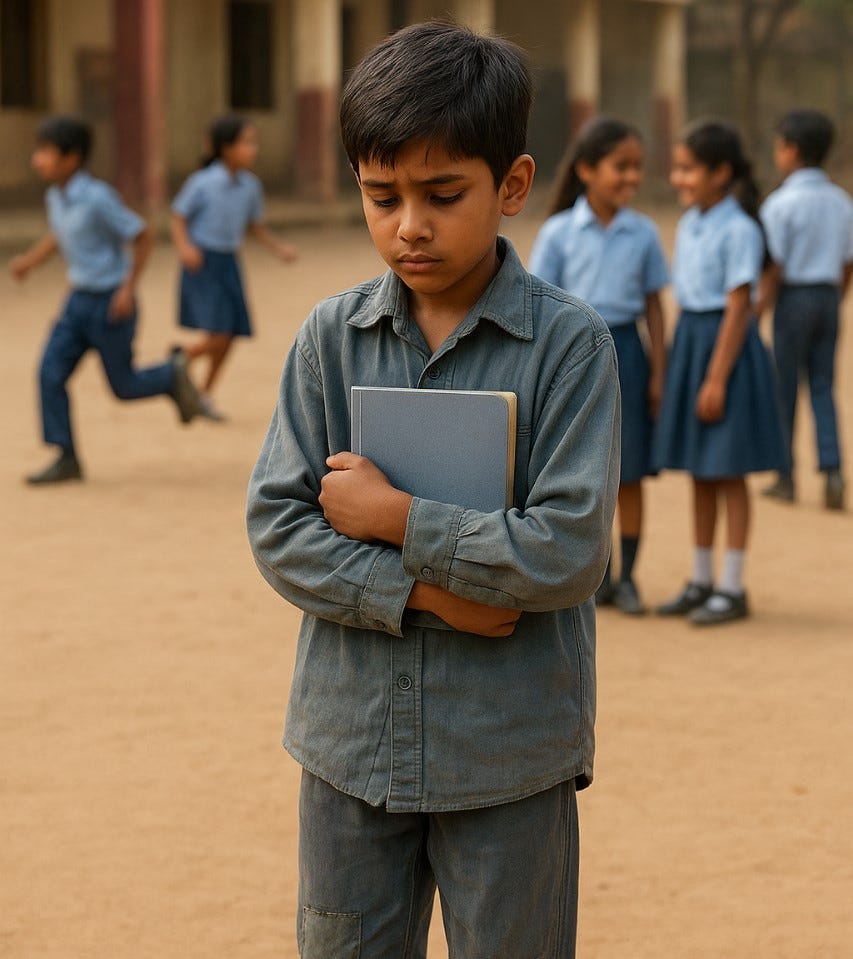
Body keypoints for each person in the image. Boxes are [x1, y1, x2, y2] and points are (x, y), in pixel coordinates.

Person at [246, 21, 620, 959]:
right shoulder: (328, 338)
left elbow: (569, 549)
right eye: (382, 196)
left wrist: (397, 518)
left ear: (512, 186)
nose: (407, 224)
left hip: (507, 757)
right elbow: (279, 524)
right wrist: (429, 590)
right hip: (348, 748)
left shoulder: (571, 348)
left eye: (441, 194)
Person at [9, 115, 202, 485]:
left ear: (72, 157)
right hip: (77, 301)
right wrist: (29, 262)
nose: (37, 159)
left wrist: (127, 287)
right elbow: (58, 235)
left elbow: (141, 234)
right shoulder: (56, 196)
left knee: (124, 386)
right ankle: (65, 456)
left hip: (110, 304)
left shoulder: (97, 197)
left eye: (46, 152)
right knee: (49, 372)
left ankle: (170, 374)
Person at [529, 117, 668, 616]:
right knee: (584, 471)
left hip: (629, 352)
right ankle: (594, 576)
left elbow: (654, 305)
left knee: (629, 472)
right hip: (572, 358)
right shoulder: (560, 232)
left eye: (638, 168)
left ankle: (627, 578)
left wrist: (659, 373)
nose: (632, 177)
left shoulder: (644, 232)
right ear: (587, 169)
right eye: (621, 167)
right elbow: (538, 304)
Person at [654, 120, 787, 626]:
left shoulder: (741, 228)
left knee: (729, 470)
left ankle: (732, 587)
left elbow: (739, 307)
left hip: (726, 352)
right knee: (700, 471)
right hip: (691, 341)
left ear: (721, 173)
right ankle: (702, 578)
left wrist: (715, 378)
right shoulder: (691, 223)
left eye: (688, 169)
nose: (678, 179)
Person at [170, 114, 298, 421]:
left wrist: (278, 249)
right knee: (220, 333)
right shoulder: (202, 182)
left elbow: (253, 226)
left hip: (229, 263)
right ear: (225, 148)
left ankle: (202, 395)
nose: (253, 149)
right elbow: (178, 217)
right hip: (204, 262)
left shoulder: (250, 186)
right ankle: (178, 361)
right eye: (246, 142)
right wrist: (185, 247)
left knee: (230, 334)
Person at [758, 109, 853, 510]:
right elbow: (848, 261)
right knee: (821, 384)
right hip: (828, 295)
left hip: (793, 297)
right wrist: (836, 295)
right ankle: (832, 472)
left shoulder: (780, 203)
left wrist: (759, 307)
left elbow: (775, 265)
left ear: (791, 151)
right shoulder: (841, 200)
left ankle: (785, 475)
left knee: (784, 387)